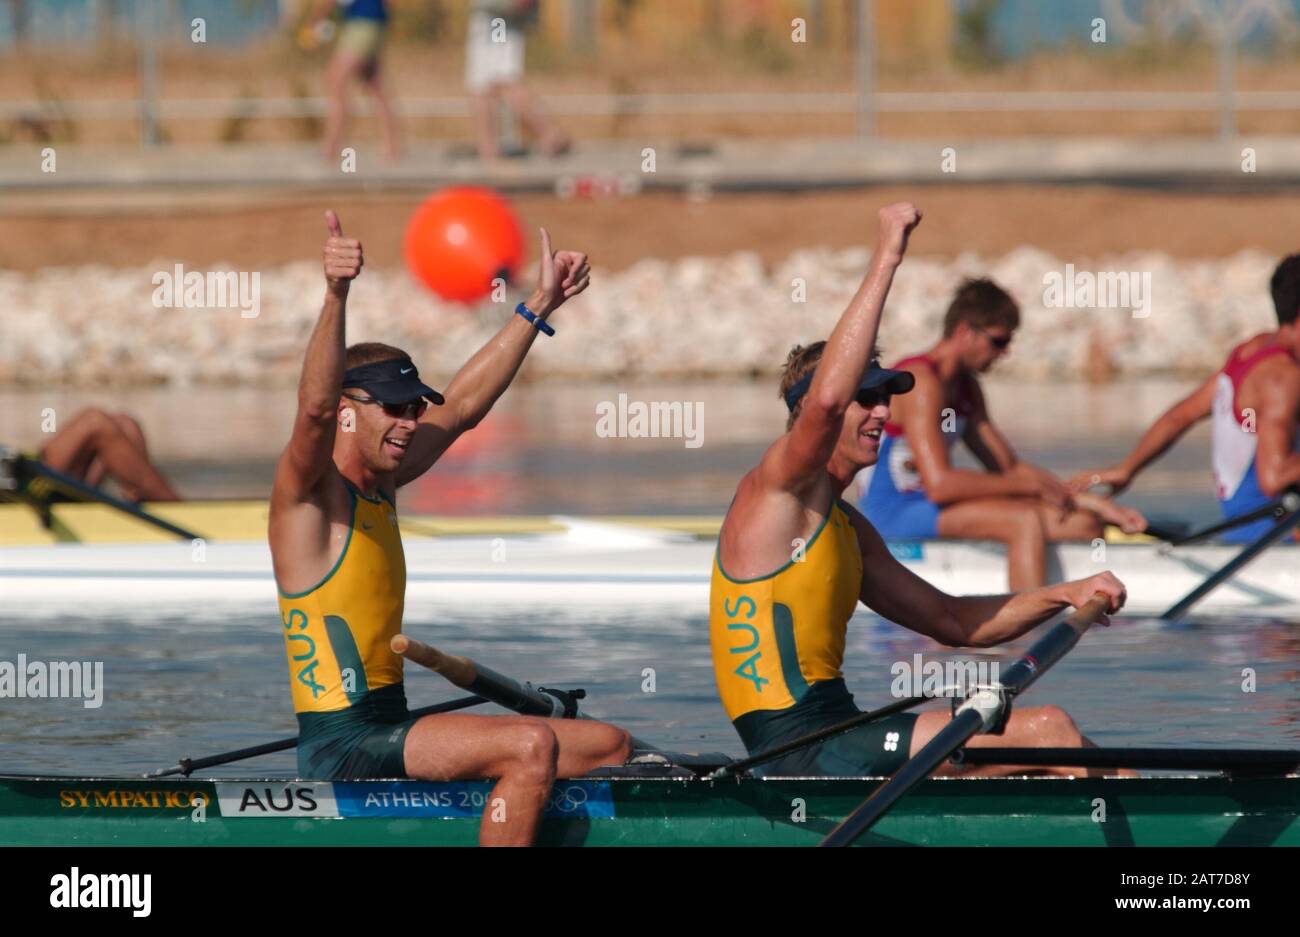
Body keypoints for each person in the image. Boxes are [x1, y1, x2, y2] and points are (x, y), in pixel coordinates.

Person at [710, 203, 1129, 781]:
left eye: (888, 397)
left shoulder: (849, 529)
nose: (885, 411)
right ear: (815, 411)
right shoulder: (773, 492)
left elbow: (955, 621)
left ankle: (1161, 812)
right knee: (1047, 729)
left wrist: (1064, 592)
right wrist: (888, 253)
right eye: (870, 397)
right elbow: (829, 400)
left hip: (840, 733)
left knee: (1056, 743)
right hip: (795, 751)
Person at [270, 210, 629, 846]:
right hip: (342, 742)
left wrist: (538, 306)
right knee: (527, 743)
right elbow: (314, 405)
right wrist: (336, 293)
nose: (409, 422)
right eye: (393, 408)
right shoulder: (310, 499)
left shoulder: (385, 486)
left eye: (413, 408)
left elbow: (461, 406)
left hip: (391, 726)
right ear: (350, 416)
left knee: (608, 744)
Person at [858, 277, 1146, 589]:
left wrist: (1088, 502)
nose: (1005, 352)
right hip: (893, 511)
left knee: (1082, 525)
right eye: (998, 341)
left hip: (930, 505)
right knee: (1023, 521)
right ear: (965, 331)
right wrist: (1031, 491)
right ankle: (1024, 632)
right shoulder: (921, 381)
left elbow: (1009, 467)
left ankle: (1036, 585)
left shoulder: (966, 388)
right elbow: (941, 485)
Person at [1071, 255, 1300, 542]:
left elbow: (1180, 416)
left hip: (1242, 528)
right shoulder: (1282, 379)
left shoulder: (1251, 351)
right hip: (1271, 537)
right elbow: (1274, 476)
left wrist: (1127, 469)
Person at [466, 0, 570, 160]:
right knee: (483, 86)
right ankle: (488, 149)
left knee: (501, 80)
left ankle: (550, 135)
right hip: (493, 20)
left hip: (497, 22)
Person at [311, 0, 401, 161]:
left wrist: (315, 20)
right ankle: (391, 148)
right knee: (375, 85)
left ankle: (332, 148)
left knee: (336, 80)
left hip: (362, 25)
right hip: (373, 24)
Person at [37, 408, 179, 502]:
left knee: (125, 424)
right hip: (26, 488)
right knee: (95, 422)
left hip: (28, 473)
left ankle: (147, 506)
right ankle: (175, 508)